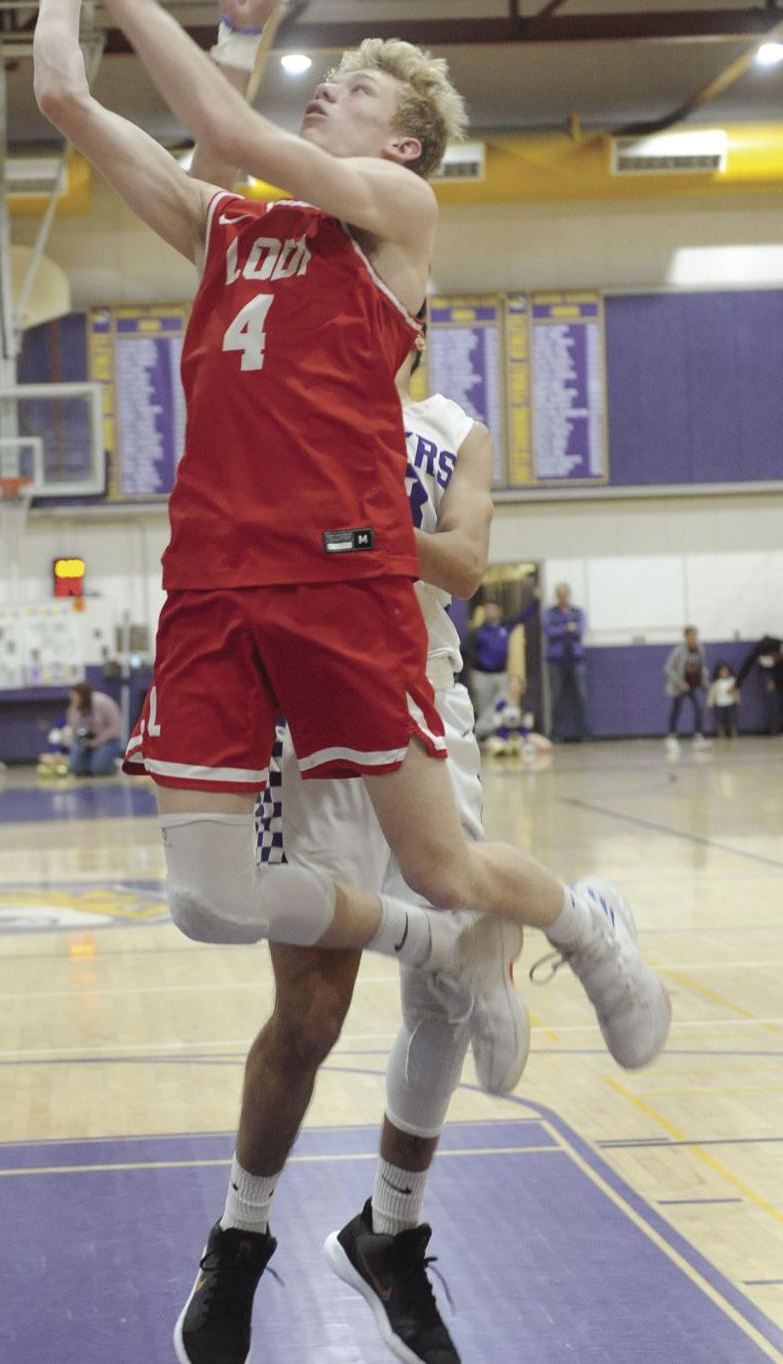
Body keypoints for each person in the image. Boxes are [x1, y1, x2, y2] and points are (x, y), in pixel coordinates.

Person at [17, 0, 667, 1119]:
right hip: (211, 582)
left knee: (441, 859)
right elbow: (66, 100)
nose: (329, 92)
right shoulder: (232, 229)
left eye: (357, 91)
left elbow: (219, 120)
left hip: (343, 577)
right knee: (208, 901)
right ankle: (435, 947)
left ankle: (584, 923)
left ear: (405, 145)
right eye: (328, 82)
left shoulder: (399, 224)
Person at [170, 330, 527, 1364]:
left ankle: (389, 1231)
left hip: (430, 718)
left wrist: (348, 528)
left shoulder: (452, 429)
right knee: (314, 1011)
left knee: (454, 991)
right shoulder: (277, 409)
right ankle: (239, 1237)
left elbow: (460, 564)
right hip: (313, 721)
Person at [464, 596, 536, 738]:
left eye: (493, 609)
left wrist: (535, 600)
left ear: (498, 611)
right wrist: (480, 662)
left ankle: (485, 732)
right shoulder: (478, 631)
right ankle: (482, 734)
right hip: (482, 674)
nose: (490, 612)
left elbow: (522, 617)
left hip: (501, 673)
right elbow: (467, 649)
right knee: (484, 705)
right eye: (487, 610)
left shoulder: (505, 626)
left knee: (499, 703)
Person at [542, 583, 591, 743]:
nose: (563, 596)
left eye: (565, 593)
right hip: (556, 660)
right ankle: (556, 733)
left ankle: (585, 732)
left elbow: (579, 630)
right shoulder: (550, 613)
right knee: (556, 697)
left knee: (582, 696)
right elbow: (549, 631)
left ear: (569, 594)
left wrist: (562, 629)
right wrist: (566, 628)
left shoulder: (578, 612)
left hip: (576, 659)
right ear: (557, 595)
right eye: (560, 593)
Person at [664, 626, 711, 751]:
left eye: (694, 635)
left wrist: (705, 681)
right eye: (690, 635)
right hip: (681, 686)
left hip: (695, 685)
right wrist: (680, 683)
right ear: (685, 637)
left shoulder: (700, 649)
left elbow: (701, 667)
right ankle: (671, 736)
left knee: (700, 707)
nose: (693, 638)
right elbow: (669, 668)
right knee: (677, 710)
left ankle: (698, 736)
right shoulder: (678, 651)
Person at [65, 680, 124, 776]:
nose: (73, 700)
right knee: (76, 768)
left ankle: (112, 765)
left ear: (83, 696)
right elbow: (73, 729)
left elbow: (115, 727)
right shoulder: (74, 708)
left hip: (108, 741)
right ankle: (90, 763)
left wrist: (96, 742)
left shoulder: (104, 702)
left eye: (75, 697)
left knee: (99, 769)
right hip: (84, 741)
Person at [734, 634, 783, 736]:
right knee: (772, 700)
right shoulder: (759, 649)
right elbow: (747, 665)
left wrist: (775, 681)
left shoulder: (779, 647)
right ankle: (775, 729)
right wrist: (737, 684)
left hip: (779, 671)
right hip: (767, 671)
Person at [708, 662, 740, 741]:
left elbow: (737, 691)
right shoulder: (716, 683)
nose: (724, 673)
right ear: (718, 673)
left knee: (731, 718)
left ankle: (733, 732)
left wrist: (737, 699)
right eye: (722, 671)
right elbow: (712, 694)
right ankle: (721, 733)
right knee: (720, 719)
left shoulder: (733, 681)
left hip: (730, 703)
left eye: (726, 671)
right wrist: (710, 703)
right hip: (719, 704)